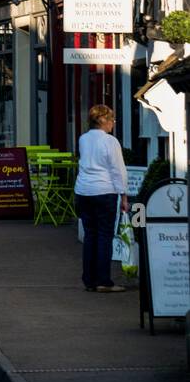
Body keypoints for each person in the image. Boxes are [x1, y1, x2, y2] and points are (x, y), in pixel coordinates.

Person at [74, 104, 129, 293]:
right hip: (105, 191)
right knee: (105, 236)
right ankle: (103, 281)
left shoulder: (83, 139)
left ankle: (89, 280)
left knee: (90, 236)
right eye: (112, 119)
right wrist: (123, 195)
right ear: (103, 120)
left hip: (83, 191)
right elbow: (118, 170)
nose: (113, 123)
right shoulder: (110, 141)